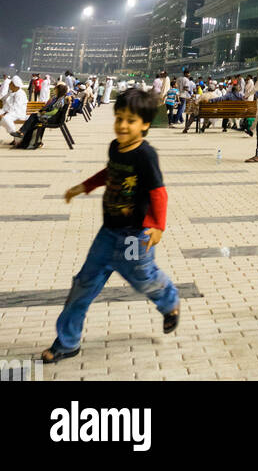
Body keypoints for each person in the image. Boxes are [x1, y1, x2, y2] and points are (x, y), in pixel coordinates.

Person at [41, 87, 179, 364]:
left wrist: (157, 226)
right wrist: (84, 186)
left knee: (144, 280)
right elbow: (110, 172)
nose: (123, 125)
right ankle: (67, 342)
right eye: (119, 118)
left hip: (133, 237)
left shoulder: (145, 155)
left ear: (145, 125)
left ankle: (169, 300)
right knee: (83, 286)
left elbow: (158, 192)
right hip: (108, 235)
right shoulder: (115, 147)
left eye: (131, 120)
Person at [12, 83, 68, 150]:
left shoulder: (60, 100)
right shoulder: (56, 98)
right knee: (33, 119)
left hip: (51, 119)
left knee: (33, 116)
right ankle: (25, 138)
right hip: (49, 117)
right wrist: (42, 111)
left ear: (59, 91)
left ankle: (22, 133)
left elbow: (54, 112)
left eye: (56, 89)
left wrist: (45, 113)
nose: (54, 90)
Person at [0, 76, 28, 141]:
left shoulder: (20, 94)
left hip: (17, 113)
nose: (9, 85)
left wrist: (5, 113)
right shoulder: (11, 92)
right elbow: (3, 99)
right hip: (8, 111)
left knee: (5, 118)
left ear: (15, 85)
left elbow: (16, 107)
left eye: (11, 83)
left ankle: (13, 132)